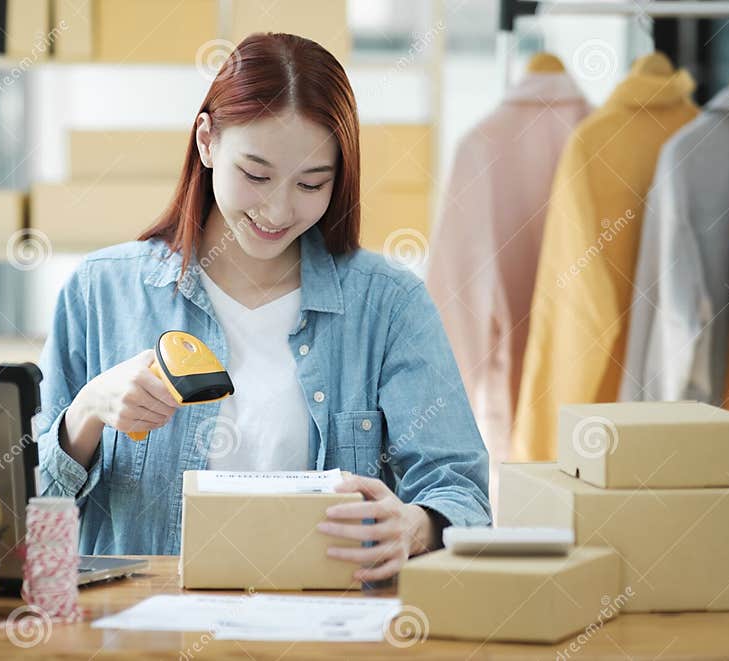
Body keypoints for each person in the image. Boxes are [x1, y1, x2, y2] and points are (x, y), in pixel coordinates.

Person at [36, 32, 491, 582]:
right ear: (206, 142)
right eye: (255, 175)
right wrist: (86, 412)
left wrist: (414, 526)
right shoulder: (100, 291)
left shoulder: (390, 306)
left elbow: (462, 492)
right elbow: (27, 518)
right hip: (141, 629)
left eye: (311, 183)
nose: (278, 209)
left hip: (328, 633)